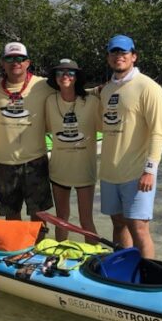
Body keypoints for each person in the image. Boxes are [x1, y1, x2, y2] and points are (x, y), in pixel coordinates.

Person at [98, 34, 162, 258]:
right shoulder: (106, 90)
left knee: (139, 228)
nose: (118, 56)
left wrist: (150, 170)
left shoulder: (149, 87)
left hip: (137, 173)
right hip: (109, 172)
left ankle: (147, 273)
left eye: (124, 52)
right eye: (114, 52)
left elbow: (158, 133)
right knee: (118, 224)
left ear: (134, 56)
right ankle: (123, 268)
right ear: (108, 57)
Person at [0, 41, 54, 220]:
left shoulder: (43, 85)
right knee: (11, 218)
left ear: (28, 62)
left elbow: (73, 91)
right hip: (3, 163)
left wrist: (100, 90)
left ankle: (38, 240)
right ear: (2, 63)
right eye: (10, 58)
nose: (16, 62)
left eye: (20, 59)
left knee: (39, 217)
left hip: (35, 162)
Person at [44, 58, 101, 242]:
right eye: (60, 72)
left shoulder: (92, 101)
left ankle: (94, 254)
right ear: (55, 77)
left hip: (84, 169)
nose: (65, 76)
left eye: (70, 72)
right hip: (59, 169)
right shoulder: (49, 101)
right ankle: (60, 253)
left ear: (77, 77)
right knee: (61, 218)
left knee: (86, 220)